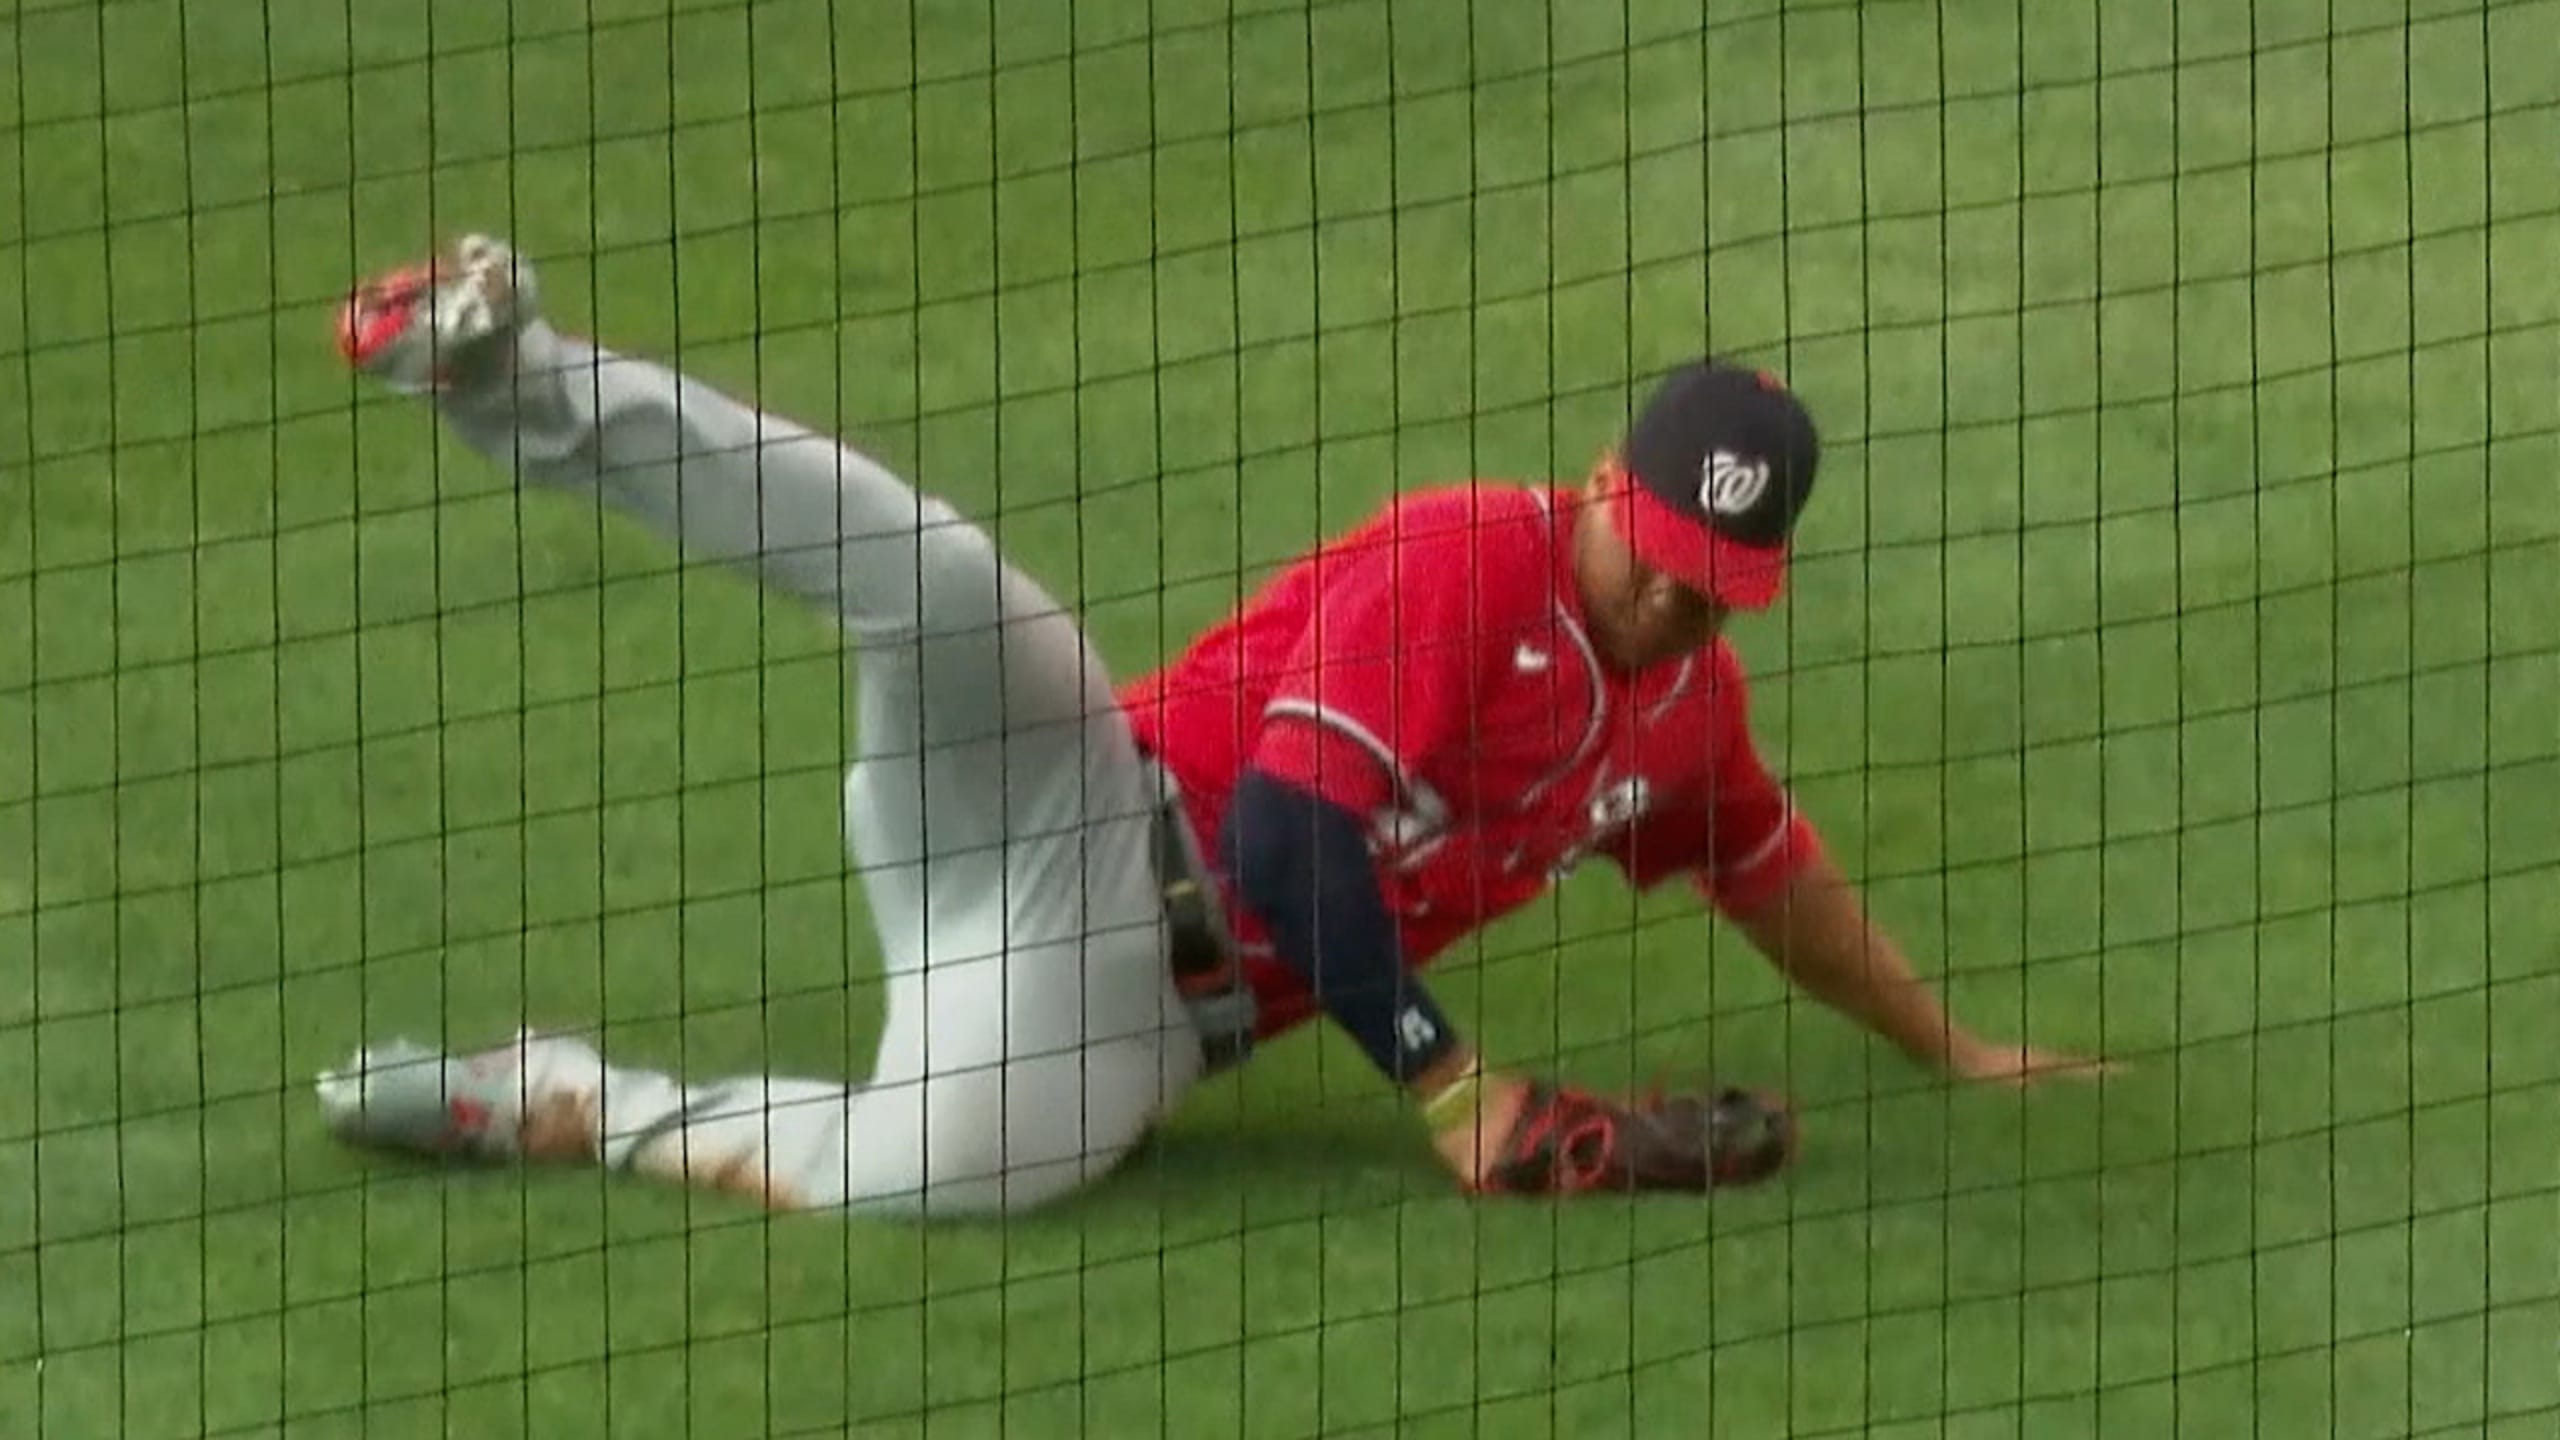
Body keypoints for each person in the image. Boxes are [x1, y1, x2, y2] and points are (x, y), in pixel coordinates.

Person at [316, 235, 2103, 1218]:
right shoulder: (1467, 562)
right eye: (1663, 552)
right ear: (1604, 487)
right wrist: (1454, 1087)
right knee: (936, 578)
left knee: (925, 1178)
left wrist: (1947, 1046)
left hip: (1128, 1026)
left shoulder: (1688, 711)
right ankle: (509, 374)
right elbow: (1278, 835)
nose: (1675, 599)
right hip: (1074, 790)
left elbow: (1765, 867)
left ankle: (564, 1104)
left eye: (1719, 580)